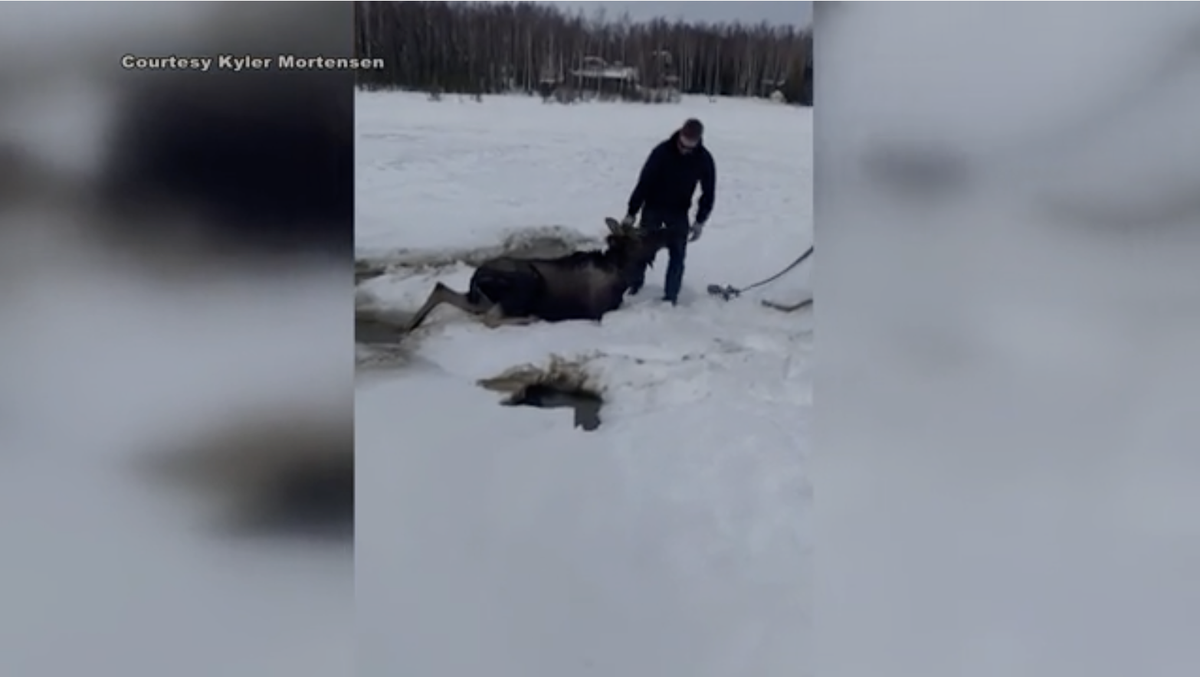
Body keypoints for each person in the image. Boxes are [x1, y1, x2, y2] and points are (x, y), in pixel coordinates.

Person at [621, 118, 716, 305]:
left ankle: (671, 296)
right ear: (680, 135)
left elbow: (708, 192)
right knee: (642, 249)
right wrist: (632, 212)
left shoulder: (704, 159)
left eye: (690, 146)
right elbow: (644, 182)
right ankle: (634, 286)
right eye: (683, 144)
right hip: (653, 208)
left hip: (679, 212)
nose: (685, 149)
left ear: (698, 141)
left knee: (678, 255)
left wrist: (699, 221)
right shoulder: (661, 152)